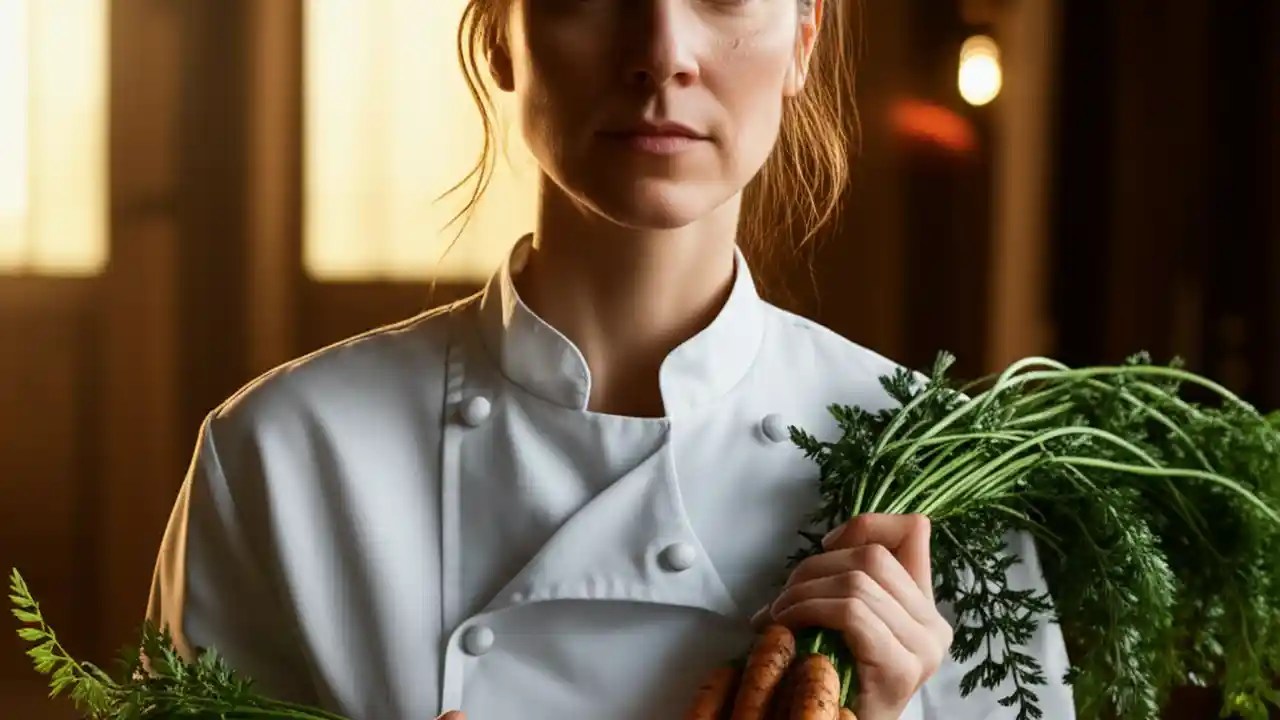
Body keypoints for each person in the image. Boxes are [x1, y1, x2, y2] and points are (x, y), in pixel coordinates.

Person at [146, 0, 1076, 718]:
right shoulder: (283, 452)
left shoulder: (945, 472)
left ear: (803, 39)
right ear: (498, 36)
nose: (662, 52)